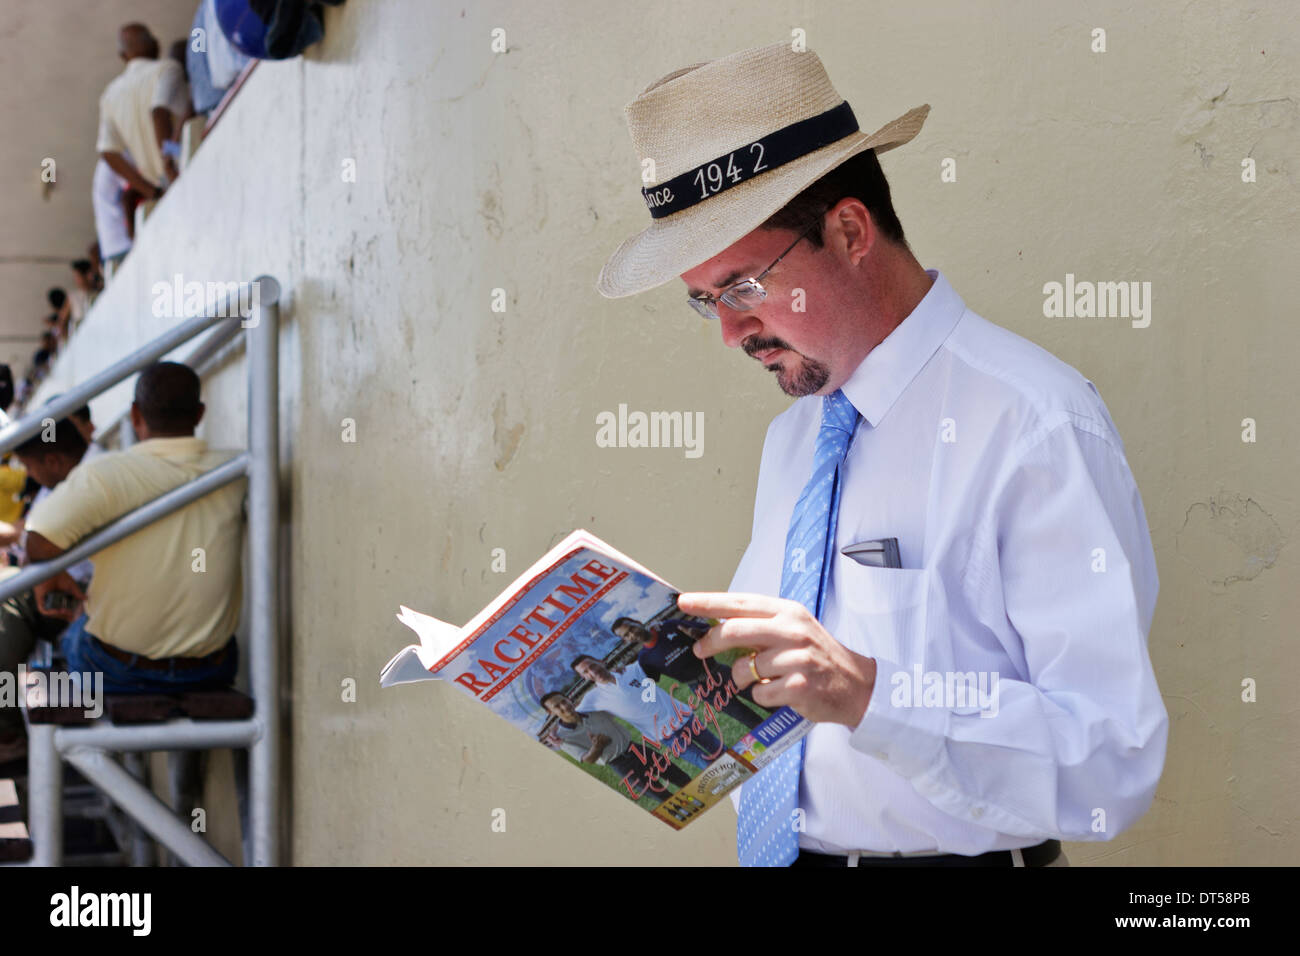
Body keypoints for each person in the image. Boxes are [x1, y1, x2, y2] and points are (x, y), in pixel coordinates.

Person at [595, 43, 1166, 868]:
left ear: (851, 230)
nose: (729, 331)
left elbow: (1110, 761)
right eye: (703, 302)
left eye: (744, 287)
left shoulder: (1035, 425)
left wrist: (871, 693)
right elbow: (790, 710)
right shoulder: (795, 438)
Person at [23, 362, 245, 694]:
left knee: (72, 639)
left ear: (135, 415)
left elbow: (38, 539)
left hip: (119, 668)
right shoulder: (237, 468)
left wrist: (50, 577)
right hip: (210, 668)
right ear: (199, 414)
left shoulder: (104, 474)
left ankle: (88, 748)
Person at [0, 418, 96, 761]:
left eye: (29, 467)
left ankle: (8, 733)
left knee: (5, 608)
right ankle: (8, 730)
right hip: (64, 592)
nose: (29, 474)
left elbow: (39, 542)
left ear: (53, 461)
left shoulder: (89, 479)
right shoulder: (63, 479)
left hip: (80, 601)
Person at [612, 614, 766, 731]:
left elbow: (707, 630)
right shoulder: (644, 659)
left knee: (763, 697)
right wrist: (623, 675)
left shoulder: (670, 626)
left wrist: (699, 634)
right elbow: (647, 685)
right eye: (626, 635)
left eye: (631, 628)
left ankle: (790, 715)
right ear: (626, 641)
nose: (632, 634)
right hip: (703, 689)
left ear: (638, 622)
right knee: (746, 718)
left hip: (720, 672)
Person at [571, 654, 724, 770]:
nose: (592, 671)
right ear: (584, 677)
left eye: (592, 665)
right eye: (585, 671)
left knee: (718, 748)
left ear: (600, 661)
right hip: (664, 735)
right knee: (706, 763)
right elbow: (568, 717)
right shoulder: (593, 698)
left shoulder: (632, 669)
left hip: (683, 717)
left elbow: (653, 655)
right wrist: (554, 735)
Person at [96, 24, 191, 208]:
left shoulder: (110, 95)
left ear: (123, 56)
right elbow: (158, 114)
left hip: (162, 186)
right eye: (149, 38)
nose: (155, 41)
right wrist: (169, 165)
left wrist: (152, 192)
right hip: (183, 165)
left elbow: (108, 152)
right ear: (154, 44)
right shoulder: (167, 68)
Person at [540, 693, 690, 804]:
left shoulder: (591, 709)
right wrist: (597, 747)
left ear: (569, 699)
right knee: (664, 798)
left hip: (637, 749)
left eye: (564, 701)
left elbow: (611, 697)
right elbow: (588, 759)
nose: (564, 706)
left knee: (681, 778)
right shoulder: (562, 737)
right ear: (550, 712)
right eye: (557, 706)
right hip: (621, 765)